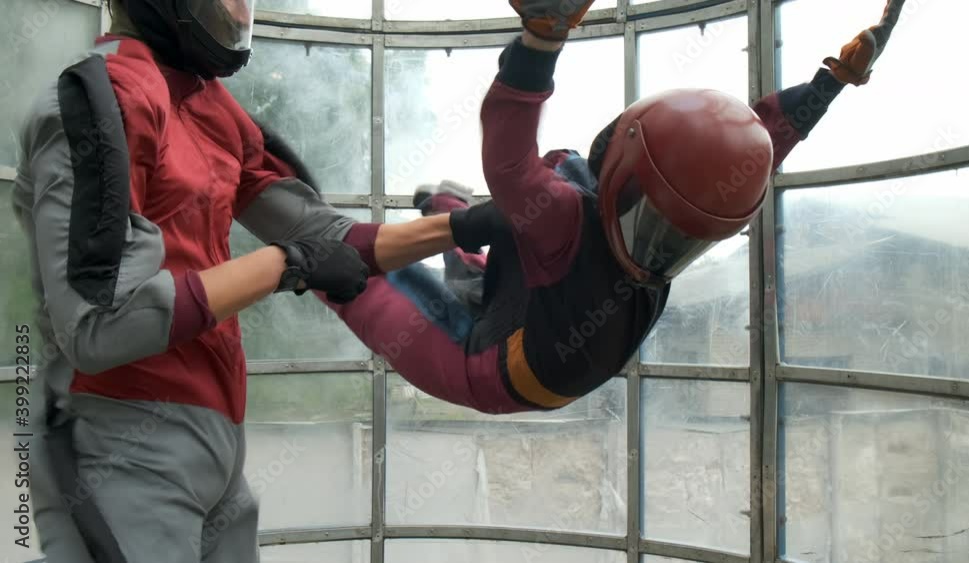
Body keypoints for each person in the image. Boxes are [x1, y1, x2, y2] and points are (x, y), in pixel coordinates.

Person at [12, 1, 457, 561]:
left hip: (217, 440)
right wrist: (283, 265)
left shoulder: (212, 110)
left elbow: (324, 234)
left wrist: (469, 225)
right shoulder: (99, 100)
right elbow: (98, 327)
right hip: (119, 434)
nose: (239, 7)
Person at [324, 0, 907, 414]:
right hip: (535, 312)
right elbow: (766, 146)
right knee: (481, 260)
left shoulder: (566, 215)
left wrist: (543, 39)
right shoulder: (691, 214)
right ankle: (450, 215)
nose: (661, 242)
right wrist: (831, 83)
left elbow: (507, 162)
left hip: (492, 370)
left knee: (344, 273)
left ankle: (429, 220)